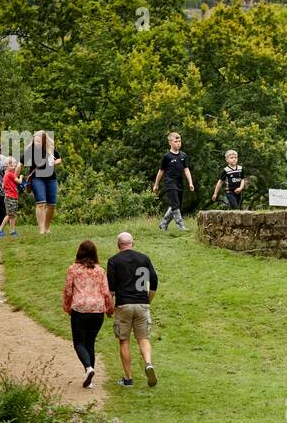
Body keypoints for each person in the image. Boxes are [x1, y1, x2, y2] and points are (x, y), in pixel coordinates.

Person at [105, 231, 158, 387]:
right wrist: (148, 299)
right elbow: (154, 281)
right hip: (142, 304)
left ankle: (128, 378)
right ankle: (148, 363)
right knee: (143, 338)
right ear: (132, 243)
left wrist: (109, 307)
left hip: (124, 305)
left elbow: (111, 289)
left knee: (124, 341)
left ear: (118, 245)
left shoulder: (114, 261)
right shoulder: (144, 258)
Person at [62, 239, 114, 388]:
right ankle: (89, 379)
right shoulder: (99, 270)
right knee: (90, 342)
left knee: (79, 342)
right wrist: (110, 309)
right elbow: (106, 291)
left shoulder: (73, 269)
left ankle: (88, 368)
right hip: (97, 310)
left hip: (80, 309)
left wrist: (67, 307)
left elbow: (68, 290)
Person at [154, 132, 194, 231]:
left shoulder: (183, 155)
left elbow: (186, 170)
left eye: (180, 141)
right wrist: (156, 185)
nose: (178, 143)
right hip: (170, 183)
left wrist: (190, 182)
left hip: (180, 183)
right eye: (176, 141)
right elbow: (161, 171)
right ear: (170, 143)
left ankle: (163, 224)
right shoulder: (167, 156)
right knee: (175, 204)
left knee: (176, 205)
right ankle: (180, 226)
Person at [25, 130, 62, 235]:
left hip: (51, 178)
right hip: (37, 178)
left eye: (39, 141)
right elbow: (21, 162)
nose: (37, 142)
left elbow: (59, 159)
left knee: (52, 204)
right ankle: (41, 229)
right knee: (41, 203)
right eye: (36, 140)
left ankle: (47, 227)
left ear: (44, 140)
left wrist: (54, 162)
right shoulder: (31, 150)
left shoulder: (50, 148)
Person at [0, 158, 24, 238]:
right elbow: (19, 182)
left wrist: (10, 186)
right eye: (13, 164)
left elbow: (3, 186)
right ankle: (0, 231)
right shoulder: (11, 174)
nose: (15, 165)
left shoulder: (6, 174)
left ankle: (12, 231)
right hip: (10, 197)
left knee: (13, 215)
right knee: (9, 215)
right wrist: (21, 177)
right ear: (8, 165)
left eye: (15, 164)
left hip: (11, 197)